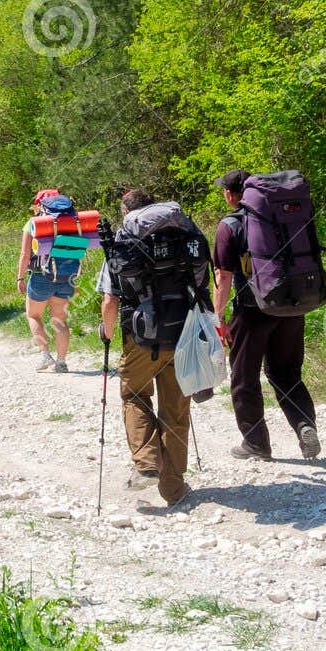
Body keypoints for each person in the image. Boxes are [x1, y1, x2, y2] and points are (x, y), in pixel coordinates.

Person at [97, 188, 197, 508]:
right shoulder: (184, 239)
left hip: (141, 338)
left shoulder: (124, 246)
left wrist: (107, 333)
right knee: (176, 412)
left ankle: (147, 464)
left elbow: (110, 300)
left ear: (127, 213)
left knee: (135, 396)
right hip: (183, 335)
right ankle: (174, 488)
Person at [212, 168, 320, 460]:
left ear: (230, 195)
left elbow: (223, 277)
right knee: (286, 374)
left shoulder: (229, 226)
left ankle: (256, 444)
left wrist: (218, 316)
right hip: (292, 305)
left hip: (251, 312)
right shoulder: (282, 218)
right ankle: (304, 425)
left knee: (245, 379)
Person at [17, 188, 93, 374]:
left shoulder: (34, 223)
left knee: (33, 315)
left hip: (42, 275)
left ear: (41, 204)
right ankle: (61, 362)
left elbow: (25, 254)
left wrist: (20, 277)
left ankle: (45, 355)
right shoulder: (74, 220)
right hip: (67, 276)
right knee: (59, 320)